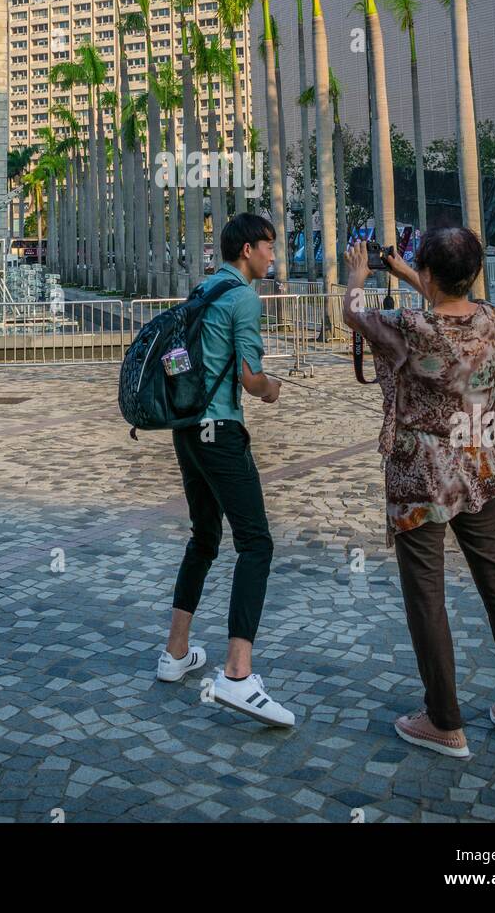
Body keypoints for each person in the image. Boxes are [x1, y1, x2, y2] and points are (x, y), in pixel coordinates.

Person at [342, 228, 495, 758]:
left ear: (429, 275)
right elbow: (448, 306)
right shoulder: (488, 317)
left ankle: (444, 720)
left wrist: (359, 277)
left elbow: (355, 315)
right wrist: (409, 272)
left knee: (426, 596)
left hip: (421, 476)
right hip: (480, 467)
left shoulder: (411, 326)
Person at [156, 213, 295, 727]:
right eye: (268, 247)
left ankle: (176, 653)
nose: (273, 256)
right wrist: (272, 389)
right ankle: (238, 675)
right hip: (221, 430)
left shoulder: (202, 289)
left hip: (187, 429)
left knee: (205, 537)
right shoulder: (242, 297)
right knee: (256, 543)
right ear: (247, 250)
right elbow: (250, 377)